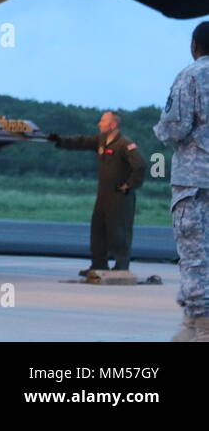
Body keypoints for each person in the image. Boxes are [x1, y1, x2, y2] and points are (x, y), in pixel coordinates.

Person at [153, 20, 209, 341]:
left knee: (195, 260)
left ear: (194, 46)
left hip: (195, 184)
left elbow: (174, 128)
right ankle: (190, 326)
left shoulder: (191, 76)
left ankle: (202, 329)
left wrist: (159, 130)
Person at [48, 111, 146, 275]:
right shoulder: (101, 141)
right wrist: (60, 140)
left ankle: (121, 266)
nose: (99, 124)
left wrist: (129, 185)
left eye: (103, 121)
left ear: (113, 125)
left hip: (119, 197)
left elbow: (140, 165)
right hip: (103, 195)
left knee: (119, 231)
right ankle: (98, 265)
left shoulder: (125, 144)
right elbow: (81, 142)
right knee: (98, 230)